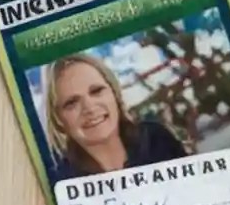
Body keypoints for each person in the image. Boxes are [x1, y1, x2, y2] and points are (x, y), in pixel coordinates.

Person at [41, 52, 187, 180]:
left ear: (114, 93)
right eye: (71, 103)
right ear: (58, 119)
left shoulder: (156, 140)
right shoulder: (59, 182)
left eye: (96, 91)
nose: (89, 108)